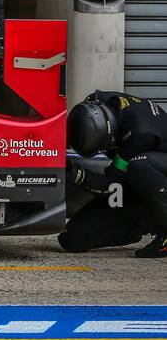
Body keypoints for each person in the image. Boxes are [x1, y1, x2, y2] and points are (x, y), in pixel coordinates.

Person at [62, 91, 167, 259]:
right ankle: (146, 222)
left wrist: (76, 175)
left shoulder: (140, 137)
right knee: (74, 239)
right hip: (137, 187)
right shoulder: (95, 101)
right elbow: (117, 188)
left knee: (139, 165)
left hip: (156, 174)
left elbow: (111, 184)